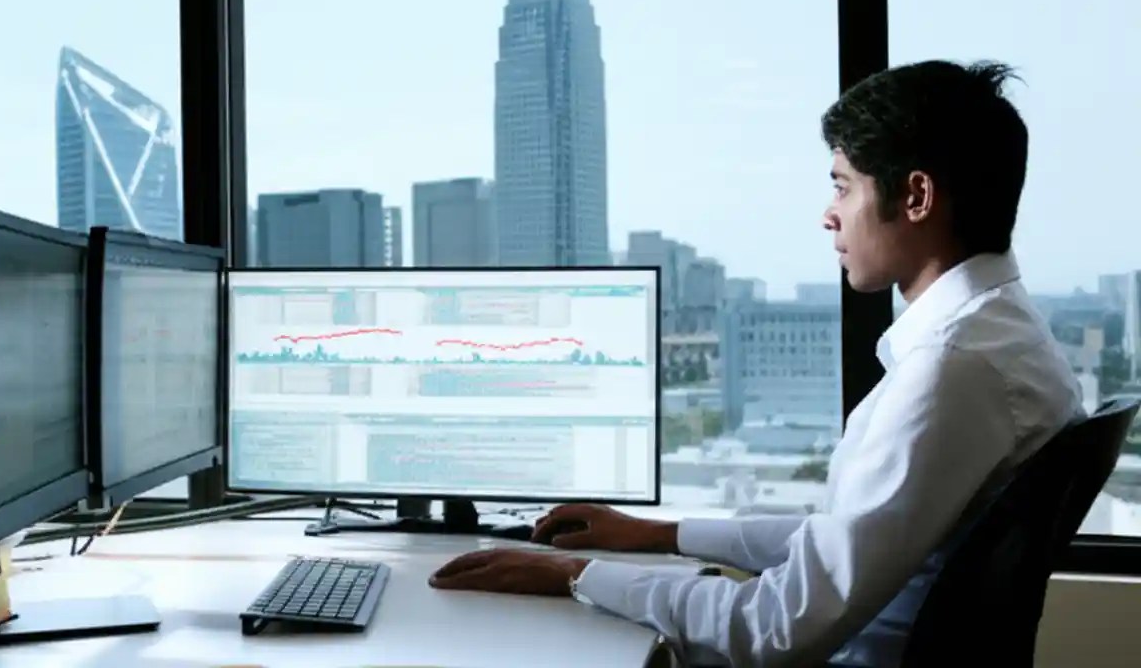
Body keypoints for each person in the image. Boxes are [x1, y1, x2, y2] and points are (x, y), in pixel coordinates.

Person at [428, 59, 1084, 667]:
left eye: (843, 185)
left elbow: (778, 627)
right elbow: (843, 538)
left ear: (916, 197)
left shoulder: (950, 370)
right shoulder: (1008, 334)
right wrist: (662, 534)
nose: (828, 215)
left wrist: (574, 576)